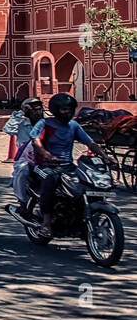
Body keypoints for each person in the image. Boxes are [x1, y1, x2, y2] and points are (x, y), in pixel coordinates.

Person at [29, 93, 99, 236]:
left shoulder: (73, 125)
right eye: (64, 109)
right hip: (44, 166)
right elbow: (36, 142)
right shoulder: (44, 124)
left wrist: (105, 156)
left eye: (69, 109)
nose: (67, 112)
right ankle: (46, 223)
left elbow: (90, 142)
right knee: (50, 180)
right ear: (55, 110)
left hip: (67, 165)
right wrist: (47, 155)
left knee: (86, 182)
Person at [5, 96, 44, 212]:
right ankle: (22, 203)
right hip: (26, 158)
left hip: (45, 156)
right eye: (34, 110)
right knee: (22, 171)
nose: (37, 112)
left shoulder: (46, 123)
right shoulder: (22, 124)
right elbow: (8, 129)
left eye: (39, 109)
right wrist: (21, 113)